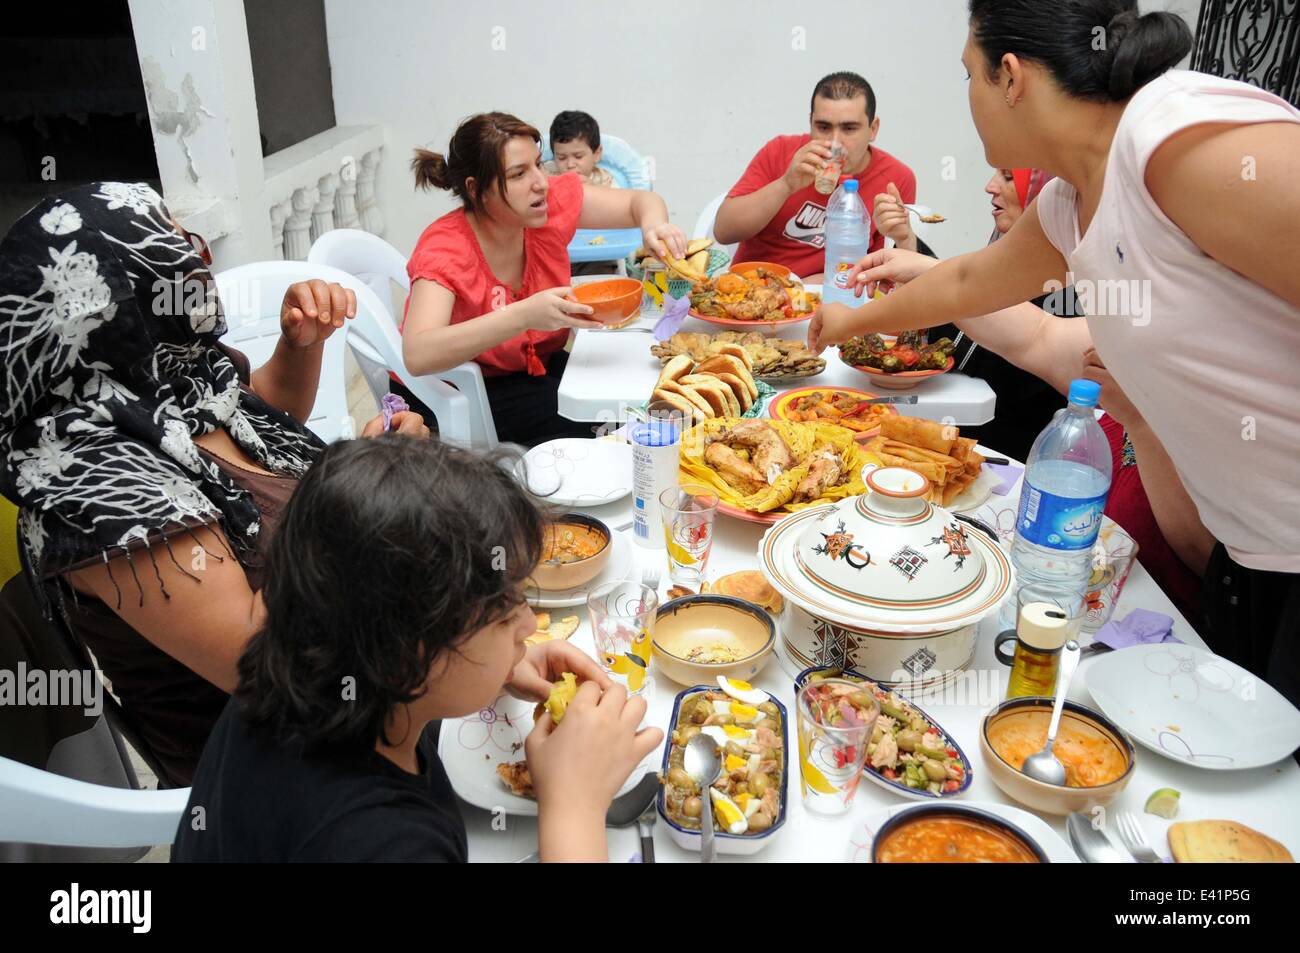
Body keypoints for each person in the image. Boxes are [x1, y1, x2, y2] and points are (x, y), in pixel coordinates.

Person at [809, 0, 1300, 705]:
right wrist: (850, 318)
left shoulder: (1174, 139)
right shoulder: (1074, 201)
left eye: (968, 74)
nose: (968, 97)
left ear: (1010, 77)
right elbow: (969, 280)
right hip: (1251, 558)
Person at [0, 183, 428, 787]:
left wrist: (298, 348)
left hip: (369, 672)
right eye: (173, 240)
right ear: (122, 285)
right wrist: (373, 483)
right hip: (284, 777)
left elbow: (248, 436)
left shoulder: (171, 378)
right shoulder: (97, 491)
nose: (196, 258)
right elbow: (275, 665)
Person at [172, 436, 661, 862]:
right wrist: (573, 807)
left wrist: (501, 666)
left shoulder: (304, 669)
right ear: (406, 657)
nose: (530, 624)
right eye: (502, 612)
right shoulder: (380, 842)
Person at [401, 112, 685, 446]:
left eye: (538, 164)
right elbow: (418, 354)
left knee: (651, 393)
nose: (541, 182)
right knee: (617, 424)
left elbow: (642, 201)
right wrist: (523, 315)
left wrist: (654, 225)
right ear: (476, 190)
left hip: (530, 369)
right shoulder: (446, 247)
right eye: (519, 174)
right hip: (455, 391)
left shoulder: (545, 206)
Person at [872, 167, 1080, 459]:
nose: (989, 186)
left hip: (1005, 454)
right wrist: (907, 241)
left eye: (1008, 177)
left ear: (1044, 194)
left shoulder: (1068, 286)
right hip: (962, 434)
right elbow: (962, 306)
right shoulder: (1015, 257)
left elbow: (973, 340)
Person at [714, 71, 916, 281]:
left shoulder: (897, 178)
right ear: (810, 122)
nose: (835, 141)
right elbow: (724, 231)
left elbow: (883, 274)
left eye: (849, 128)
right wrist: (786, 184)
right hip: (751, 291)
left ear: (873, 129)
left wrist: (811, 285)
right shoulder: (781, 151)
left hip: (833, 298)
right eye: (823, 127)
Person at [544, 110, 615, 187]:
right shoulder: (546, 175)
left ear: (596, 154)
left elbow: (620, 198)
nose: (570, 165)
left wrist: (594, 191)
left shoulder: (606, 181)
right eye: (562, 158)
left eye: (578, 156)